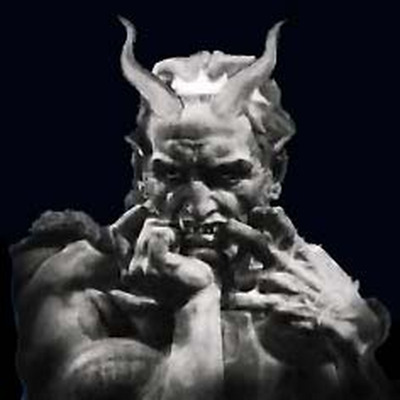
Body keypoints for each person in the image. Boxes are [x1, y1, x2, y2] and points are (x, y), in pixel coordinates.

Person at [11, 18, 394, 400]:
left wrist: (354, 347)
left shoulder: (311, 294)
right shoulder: (78, 287)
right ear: (141, 172)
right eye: (172, 175)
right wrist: (196, 305)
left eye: (227, 176)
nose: (197, 207)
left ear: (274, 172)